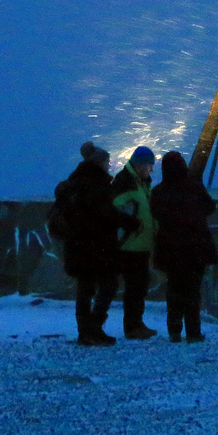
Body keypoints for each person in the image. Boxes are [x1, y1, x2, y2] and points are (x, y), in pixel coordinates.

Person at [54, 142, 133, 346]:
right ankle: (94, 328)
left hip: (78, 244)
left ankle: (86, 331)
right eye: (107, 162)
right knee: (108, 284)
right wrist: (128, 221)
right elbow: (105, 213)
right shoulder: (97, 184)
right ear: (100, 163)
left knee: (85, 287)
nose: (109, 166)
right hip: (98, 245)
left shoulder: (74, 183)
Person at [150, 150, 218, 342]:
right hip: (196, 247)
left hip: (170, 248)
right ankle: (193, 331)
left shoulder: (158, 192)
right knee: (193, 291)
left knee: (174, 289)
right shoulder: (195, 188)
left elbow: (156, 213)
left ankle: (174, 330)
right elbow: (209, 207)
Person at [110, 146, 159, 339]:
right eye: (149, 166)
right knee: (134, 287)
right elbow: (115, 211)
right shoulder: (126, 183)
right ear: (139, 165)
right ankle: (133, 327)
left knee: (139, 287)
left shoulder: (140, 182)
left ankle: (136, 323)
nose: (151, 170)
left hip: (140, 244)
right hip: (130, 246)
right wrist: (132, 225)